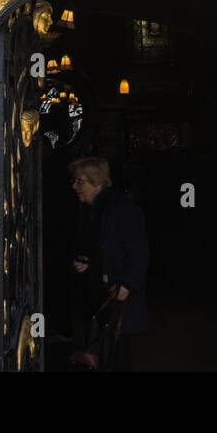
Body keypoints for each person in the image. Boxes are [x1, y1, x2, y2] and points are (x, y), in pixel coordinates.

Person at [68, 156, 149, 370]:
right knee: (103, 355)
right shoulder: (90, 209)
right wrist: (88, 262)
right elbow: (101, 247)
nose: (75, 186)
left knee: (116, 356)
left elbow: (138, 250)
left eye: (80, 181)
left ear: (97, 182)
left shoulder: (122, 209)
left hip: (117, 295)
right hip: (100, 295)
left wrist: (128, 285)